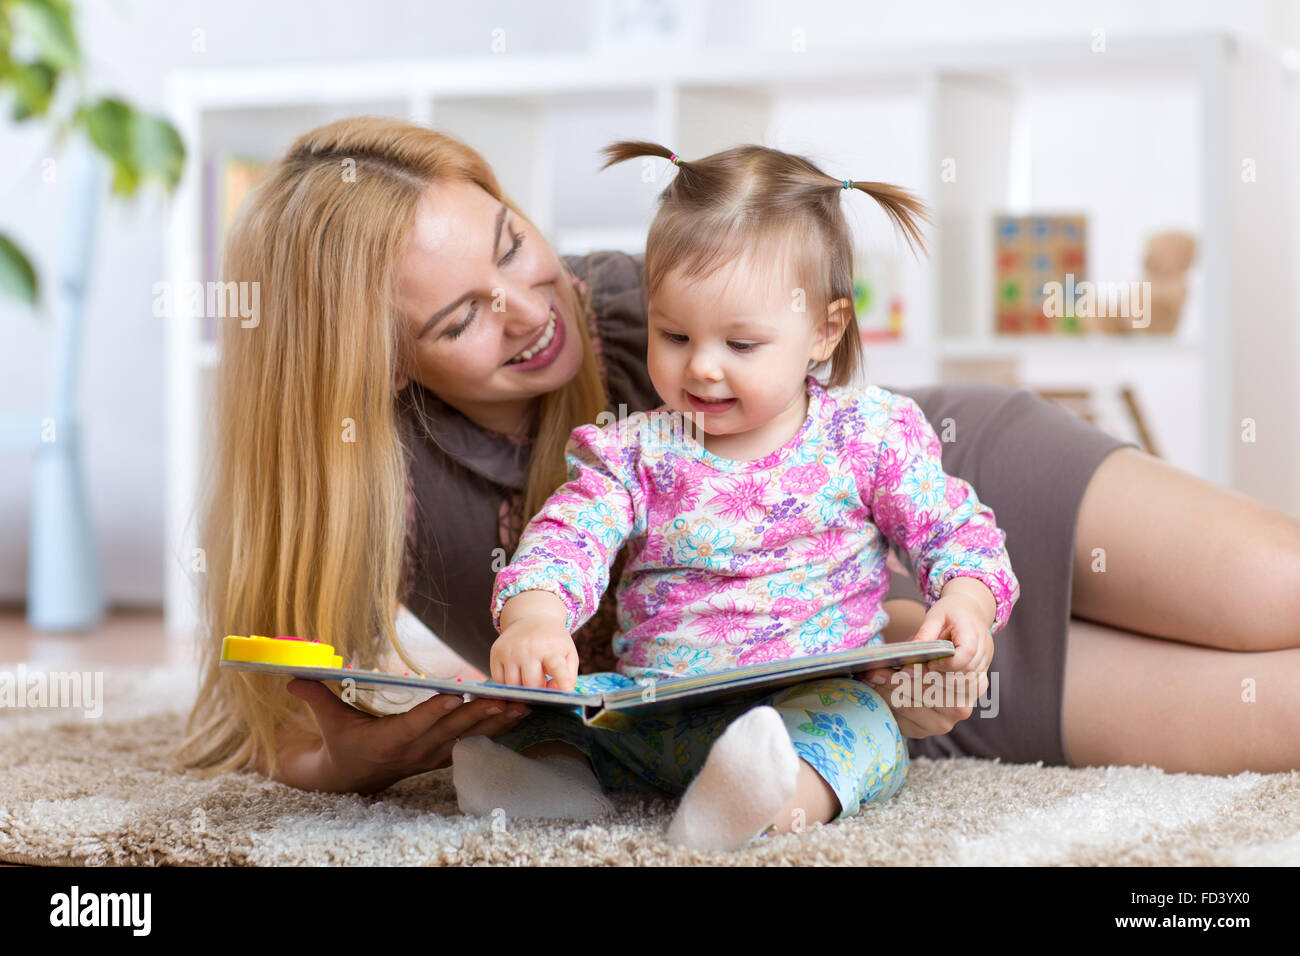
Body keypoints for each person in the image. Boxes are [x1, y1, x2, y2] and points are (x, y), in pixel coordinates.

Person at [173, 116, 1300, 797]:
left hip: (945, 482)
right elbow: (287, 736)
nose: (532, 309)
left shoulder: (632, 307)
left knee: (1273, 585)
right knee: (1273, 715)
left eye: (514, 244)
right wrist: (373, 759)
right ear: (371, 369)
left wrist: (938, 593)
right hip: (864, 661)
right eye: (461, 318)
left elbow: (784, 288)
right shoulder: (378, 483)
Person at [448, 139, 1020, 850]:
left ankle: (754, 802)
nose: (703, 367)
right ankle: (544, 786)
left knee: (866, 732)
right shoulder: (634, 449)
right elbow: (569, 535)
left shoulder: (869, 436)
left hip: (806, 708)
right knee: (560, 716)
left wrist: (966, 601)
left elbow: (959, 533)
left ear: (824, 331)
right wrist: (535, 617)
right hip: (655, 708)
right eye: (675, 334)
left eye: (741, 345)